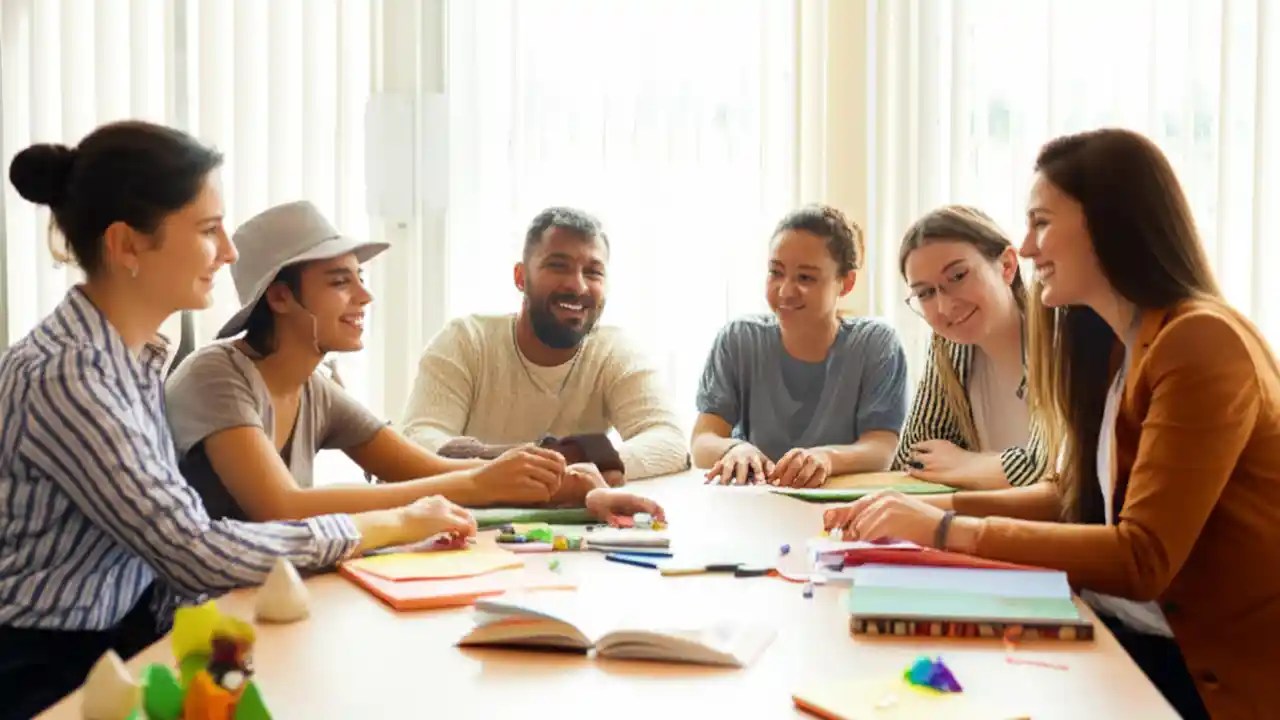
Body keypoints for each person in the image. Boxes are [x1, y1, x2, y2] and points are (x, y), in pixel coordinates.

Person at [0, 122, 475, 720]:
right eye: (207, 230)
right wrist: (390, 522)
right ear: (126, 246)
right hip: (49, 671)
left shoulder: (133, 357)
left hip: (123, 639)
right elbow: (191, 548)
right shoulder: (71, 375)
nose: (228, 252)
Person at [824, 128, 1280, 719]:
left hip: (1201, 674)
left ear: (1111, 223)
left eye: (1041, 222)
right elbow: (1076, 502)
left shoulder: (1200, 341)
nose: (1027, 245)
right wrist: (928, 515)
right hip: (1124, 634)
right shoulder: (1114, 347)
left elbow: (1141, 557)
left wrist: (941, 529)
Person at [165, 201, 662, 524]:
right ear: (279, 297)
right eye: (340, 282)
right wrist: (477, 482)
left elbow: (423, 469)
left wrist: (573, 492)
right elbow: (279, 506)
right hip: (191, 625)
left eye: (360, 277)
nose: (365, 295)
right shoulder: (217, 374)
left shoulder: (315, 389)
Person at [400, 207, 689, 484]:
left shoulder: (613, 350)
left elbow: (669, 440)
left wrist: (579, 462)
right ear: (520, 277)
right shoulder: (465, 341)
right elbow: (420, 438)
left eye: (593, 272)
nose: (578, 286)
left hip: (577, 527)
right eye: (558, 266)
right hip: (470, 522)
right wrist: (508, 465)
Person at [693, 204, 909, 487]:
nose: (785, 291)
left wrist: (827, 458)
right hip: (755, 502)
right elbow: (702, 440)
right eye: (776, 272)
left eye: (805, 277)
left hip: (840, 506)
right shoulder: (739, 339)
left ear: (846, 283)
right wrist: (734, 448)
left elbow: (881, 448)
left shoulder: (876, 344)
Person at [893, 205, 1050, 489]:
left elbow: (1049, 465)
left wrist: (967, 464)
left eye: (957, 276)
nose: (945, 306)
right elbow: (914, 456)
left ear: (1007, 266)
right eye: (925, 293)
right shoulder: (949, 347)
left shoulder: (1056, 334)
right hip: (985, 521)